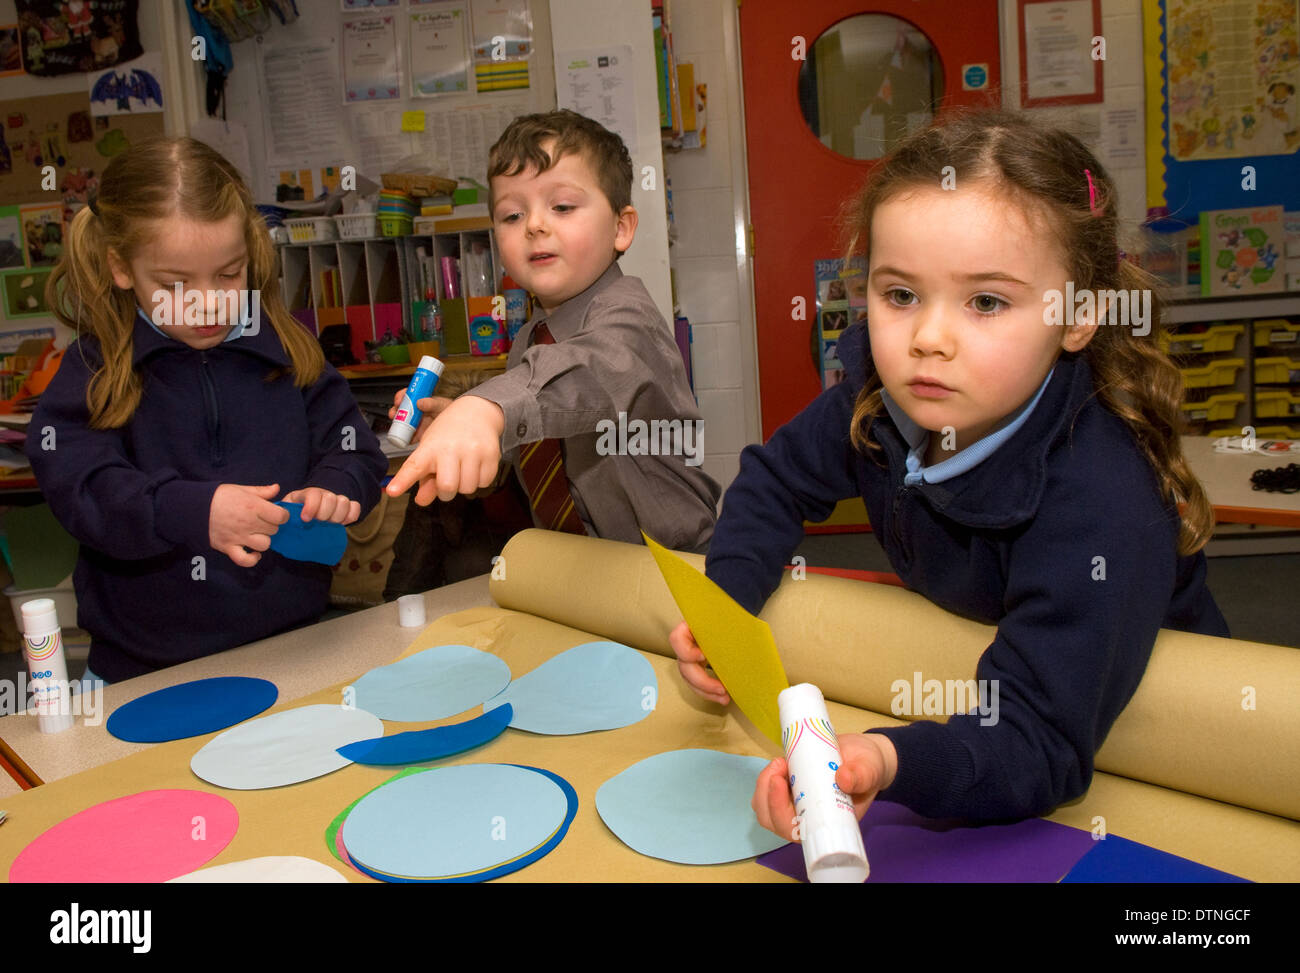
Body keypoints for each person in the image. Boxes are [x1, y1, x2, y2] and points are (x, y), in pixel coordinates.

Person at [671, 109, 1229, 828]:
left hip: (1176, 745)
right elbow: (776, 479)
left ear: (1080, 316)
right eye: (900, 295)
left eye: (987, 302)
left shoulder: (1105, 500)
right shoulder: (874, 403)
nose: (928, 338)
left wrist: (887, 758)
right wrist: (726, 603)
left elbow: (1037, 739)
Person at [28, 136, 387, 683]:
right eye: (175, 284)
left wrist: (336, 484)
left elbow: (355, 447)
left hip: (294, 650)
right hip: (142, 671)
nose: (210, 302)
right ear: (121, 268)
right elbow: (82, 487)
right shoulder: (96, 369)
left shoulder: (286, 350)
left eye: (228, 274)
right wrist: (191, 512)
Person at [385, 110, 719, 554]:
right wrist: (466, 435)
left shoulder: (629, 319)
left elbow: (586, 376)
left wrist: (486, 409)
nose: (534, 225)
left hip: (675, 567)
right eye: (511, 215)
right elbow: (537, 447)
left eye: (561, 206)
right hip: (587, 568)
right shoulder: (529, 341)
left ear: (621, 228)